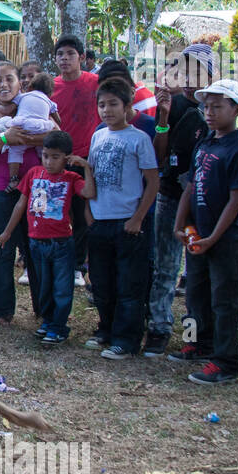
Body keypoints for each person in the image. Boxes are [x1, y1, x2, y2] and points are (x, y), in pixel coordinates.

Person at [170, 80, 238, 384]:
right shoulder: (205, 143)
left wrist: (214, 238)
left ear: (236, 109)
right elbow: (190, 187)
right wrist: (180, 225)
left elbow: (236, 200)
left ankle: (225, 360)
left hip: (223, 239)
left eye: (217, 106)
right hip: (197, 236)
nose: (209, 112)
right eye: (206, 106)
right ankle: (196, 342)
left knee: (224, 300)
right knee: (195, 295)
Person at [83, 78, 159, 359]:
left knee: (130, 283)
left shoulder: (138, 139)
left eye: (113, 104)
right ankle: (106, 329)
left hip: (127, 221)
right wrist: (89, 212)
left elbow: (152, 182)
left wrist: (138, 218)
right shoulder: (98, 135)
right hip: (99, 220)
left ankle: (126, 340)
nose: (106, 110)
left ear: (127, 106)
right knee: (102, 281)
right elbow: (90, 175)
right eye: (101, 105)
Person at [144, 46, 213, 356]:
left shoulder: (218, 106)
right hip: (171, 195)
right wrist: (163, 116)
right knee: (164, 267)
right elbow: (159, 154)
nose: (187, 79)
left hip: (205, 203)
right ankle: (158, 329)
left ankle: (194, 336)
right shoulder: (175, 104)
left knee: (197, 272)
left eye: (195, 72)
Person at [0, 130, 89, 345]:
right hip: (36, 240)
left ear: (67, 158)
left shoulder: (72, 178)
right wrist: (7, 232)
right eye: (46, 155)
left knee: (62, 286)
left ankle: (59, 326)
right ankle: (47, 321)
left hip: (62, 242)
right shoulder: (34, 174)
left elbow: (89, 193)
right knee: (44, 284)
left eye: (55, 157)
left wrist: (86, 167)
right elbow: (21, 204)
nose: (49, 161)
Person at [0, 61, 47, 322]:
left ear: (20, 84)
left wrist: (25, 138)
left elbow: (57, 138)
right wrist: (4, 138)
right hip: (1, 190)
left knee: (36, 248)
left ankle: (43, 309)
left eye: (9, 79)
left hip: (37, 189)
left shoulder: (35, 109)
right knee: (4, 248)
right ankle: (3, 311)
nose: (3, 84)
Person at [52, 36, 101, 280]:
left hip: (88, 158)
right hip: (59, 158)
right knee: (60, 210)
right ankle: (59, 259)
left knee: (84, 212)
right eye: (60, 54)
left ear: (81, 57)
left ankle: (79, 265)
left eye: (70, 54)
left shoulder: (96, 82)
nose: (65, 59)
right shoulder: (51, 87)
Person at [0, 70, 57, 189]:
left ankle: (13, 179)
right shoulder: (50, 102)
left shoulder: (23, 96)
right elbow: (58, 121)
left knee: (15, 151)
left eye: (9, 79)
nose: (4, 85)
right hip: (42, 126)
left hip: (23, 125)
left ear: (27, 86)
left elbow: (6, 111)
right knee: (44, 151)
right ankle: (47, 175)